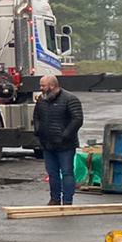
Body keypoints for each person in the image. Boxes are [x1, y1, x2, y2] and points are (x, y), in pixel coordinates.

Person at [33, 74, 84, 206]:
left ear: (52, 85)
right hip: (47, 144)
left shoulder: (70, 99)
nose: (40, 88)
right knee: (52, 173)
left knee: (67, 172)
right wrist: (38, 131)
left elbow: (77, 119)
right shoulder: (41, 100)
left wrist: (64, 135)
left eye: (43, 85)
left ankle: (67, 201)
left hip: (65, 145)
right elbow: (36, 116)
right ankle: (54, 199)